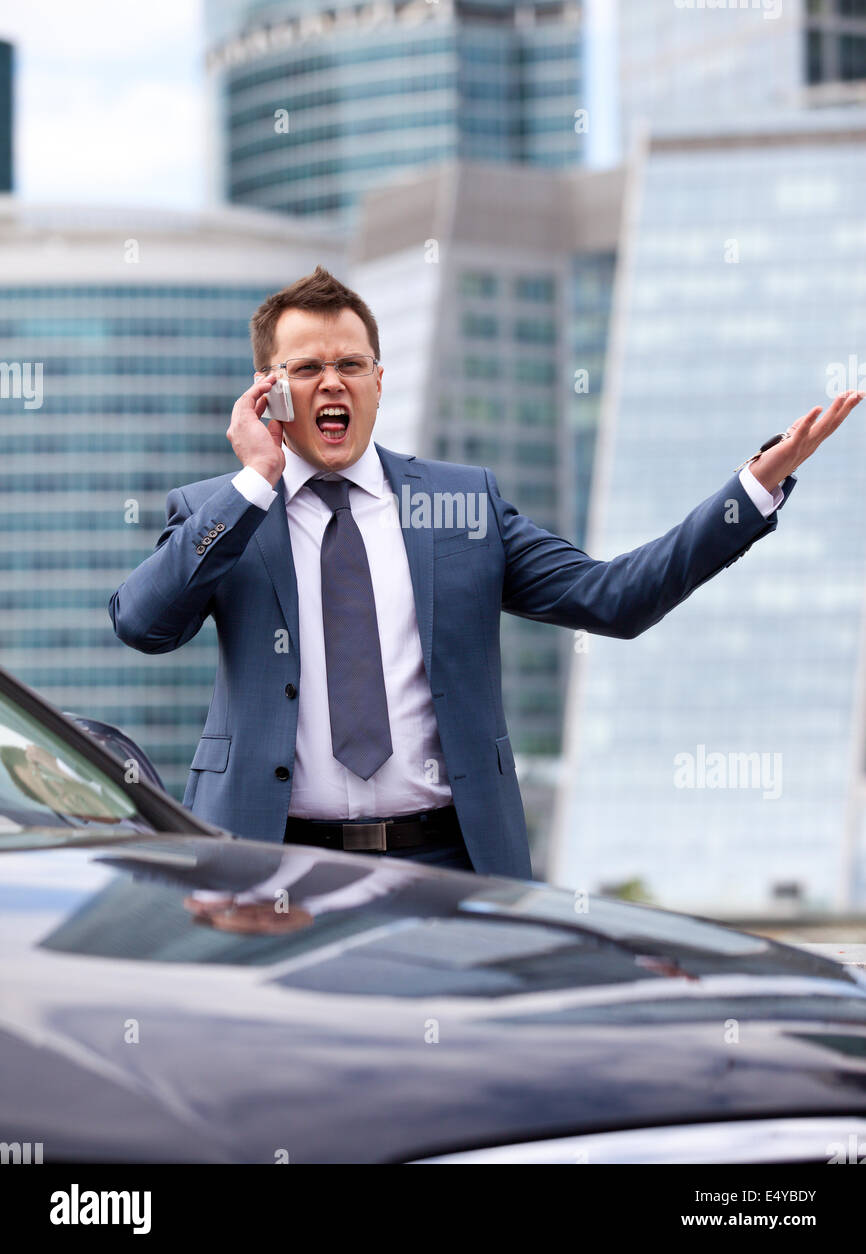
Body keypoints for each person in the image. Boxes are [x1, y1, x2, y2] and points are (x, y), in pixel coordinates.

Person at [108, 265, 863, 879]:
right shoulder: (224, 509)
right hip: (269, 866)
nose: (331, 383)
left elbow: (617, 598)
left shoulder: (462, 504)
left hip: (448, 866)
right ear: (266, 391)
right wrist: (253, 483)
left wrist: (753, 490)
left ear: (379, 379)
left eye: (350, 365)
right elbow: (143, 623)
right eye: (306, 369)